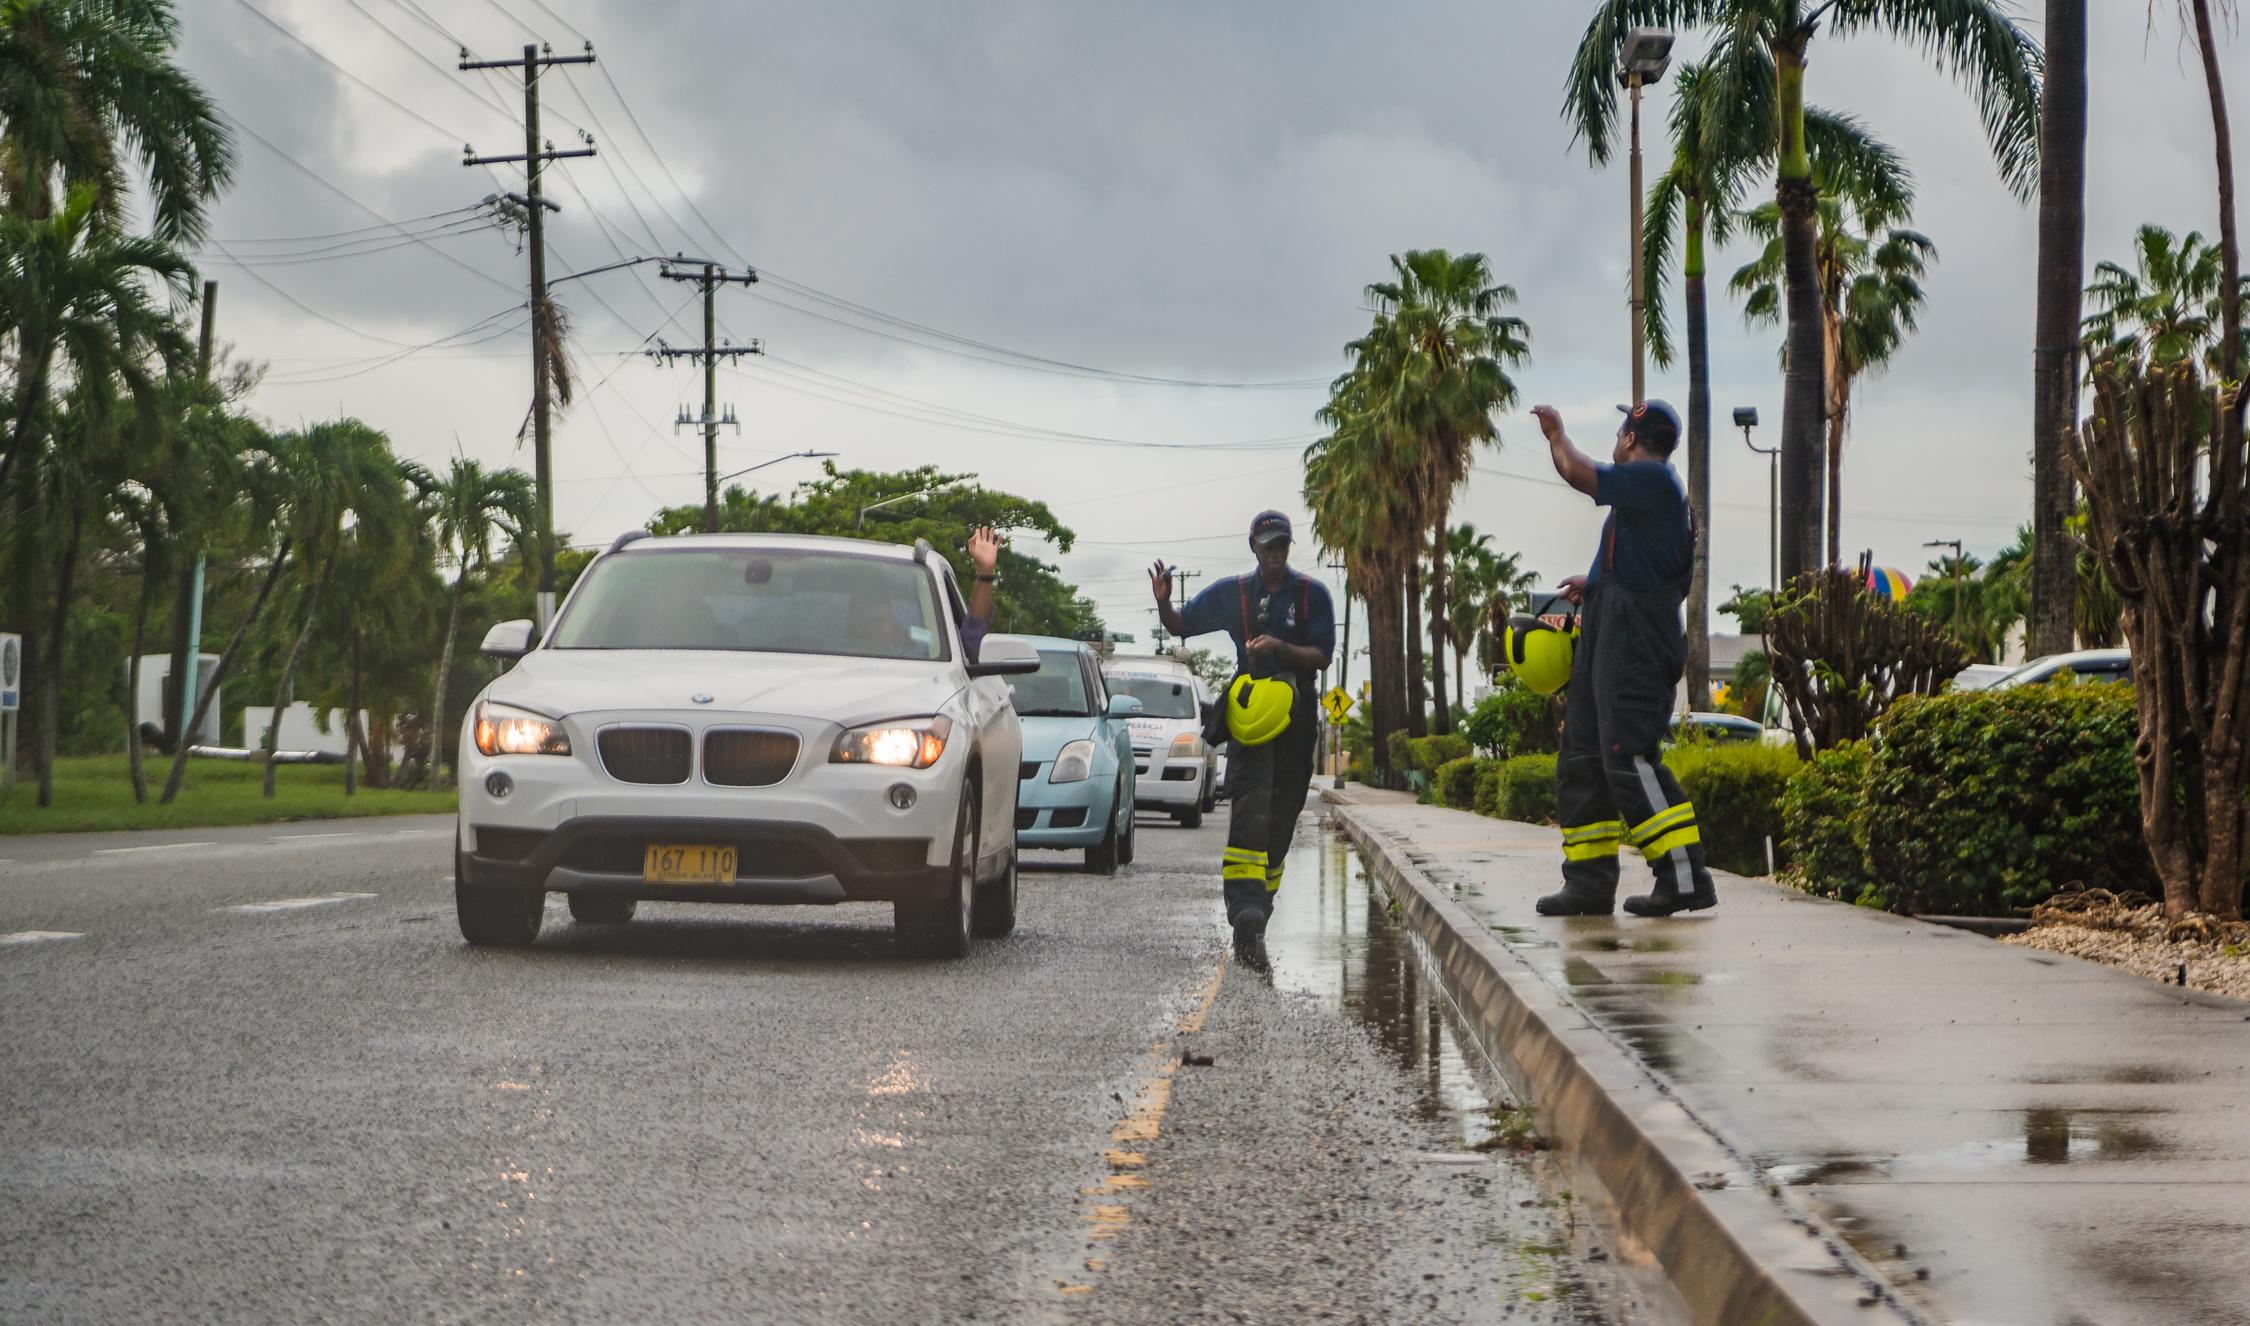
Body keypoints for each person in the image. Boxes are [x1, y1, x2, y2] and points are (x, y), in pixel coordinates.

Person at [1527, 400, 1717, 918]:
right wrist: (1596, 585)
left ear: (1632, 439)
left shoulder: (1653, 480)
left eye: (1620, 431)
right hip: (1610, 630)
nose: (1616, 438)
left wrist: (1556, 435)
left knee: (1628, 757)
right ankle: (1588, 883)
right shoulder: (1647, 497)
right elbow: (1644, 569)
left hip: (1634, 642)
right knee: (1584, 759)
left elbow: (1578, 472)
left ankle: (1684, 878)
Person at [1149, 511, 1335, 969]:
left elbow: (1323, 655)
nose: (1274, 554)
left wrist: (1279, 648)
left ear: (1289, 548)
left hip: (1295, 717)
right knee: (1250, 806)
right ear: (1252, 546)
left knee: (1283, 815)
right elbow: (1180, 625)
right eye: (1267, 546)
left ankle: (1260, 910)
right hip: (1251, 714)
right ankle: (1244, 915)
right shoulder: (1232, 594)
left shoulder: (1312, 595)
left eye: (1281, 546)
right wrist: (1163, 603)